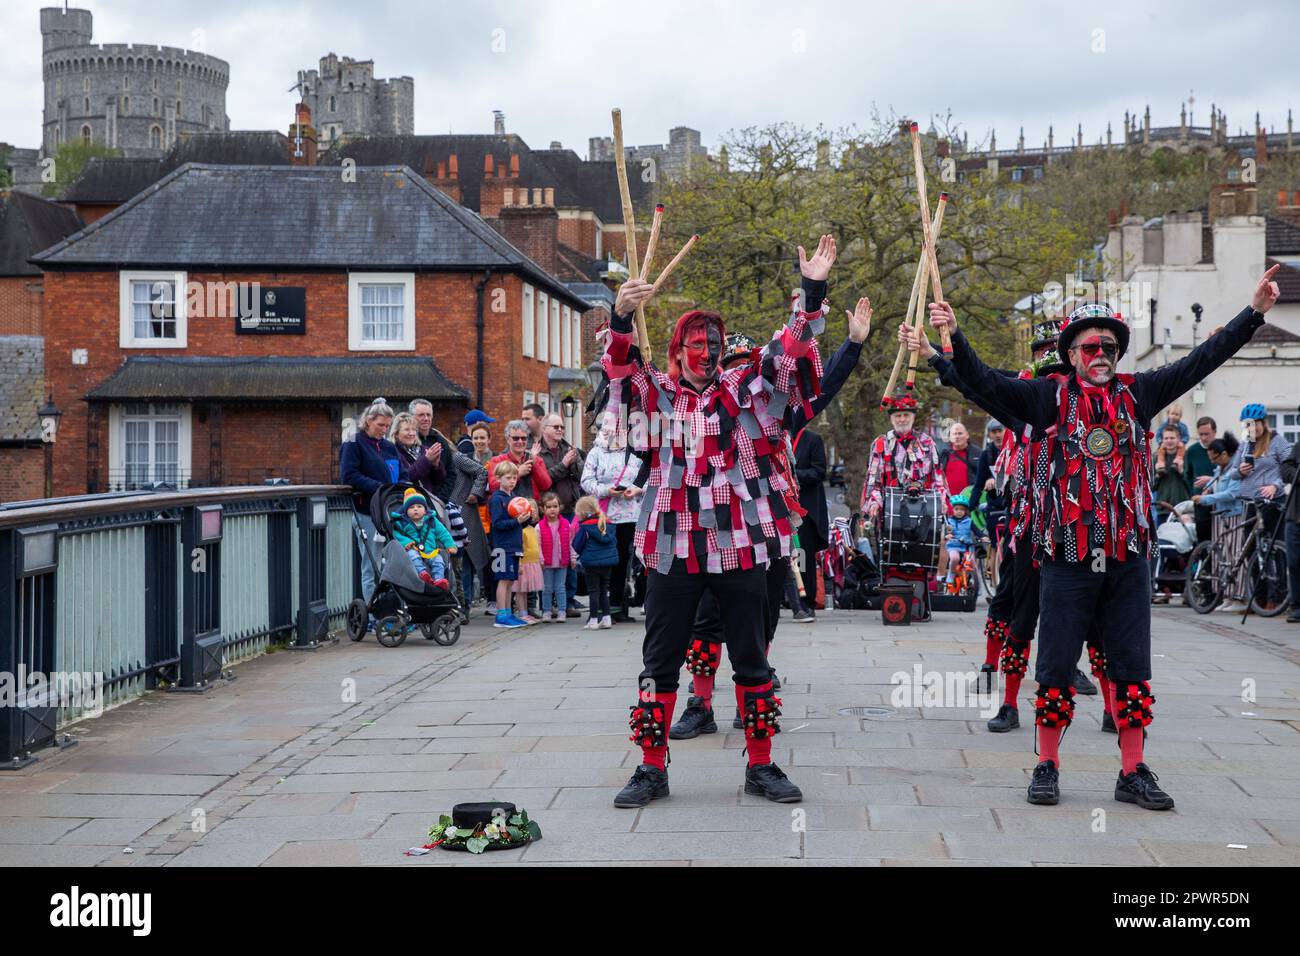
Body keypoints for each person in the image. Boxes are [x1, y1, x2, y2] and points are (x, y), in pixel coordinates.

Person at [928, 263, 1280, 810]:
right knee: (1056, 665)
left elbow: (1199, 361)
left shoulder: (1140, 394)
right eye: (1090, 346)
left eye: (1110, 347)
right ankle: (1046, 764)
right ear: (1071, 353)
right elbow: (985, 382)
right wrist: (953, 337)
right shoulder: (1046, 398)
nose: (1100, 355)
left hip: (1128, 557)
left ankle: (1132, 772)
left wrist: (1253, 314)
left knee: (1131, 665)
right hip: (1067, 557)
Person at [602, 233, 838, 809]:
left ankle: (760, 766)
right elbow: (618, 369)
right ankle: (652, 770)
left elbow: (787, 355)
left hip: (742, 548)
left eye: (713, 343)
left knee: (753, 658)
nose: (706, 353)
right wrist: (622, 316)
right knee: (658, 662)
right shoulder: (654, 396)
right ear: (677, 352)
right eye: (695, 345)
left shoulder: (745, 389)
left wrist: (811, 290)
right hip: (673, 550)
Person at [669, 295, 873, 740]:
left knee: (761, 616)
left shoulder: (782, 410)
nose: (740, 372)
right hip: (716, 529)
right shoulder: (707, 410)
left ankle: (750, 701)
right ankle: (699, 703)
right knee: (705, 619)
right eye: (732, 363)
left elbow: (823, 385)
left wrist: (853, 346)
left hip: (771, 529)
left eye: (747, 362)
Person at [902, 315, 1099, 732]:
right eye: (1042, 353)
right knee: (1016, 606)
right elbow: (976, 380)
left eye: (1057, 354)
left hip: (1082, 523)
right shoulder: (1024, 395)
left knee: (1092, 613)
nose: (1051, 362)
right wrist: (936, 354)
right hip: (1030, 520)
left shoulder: (1100, 400)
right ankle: (1005, 694)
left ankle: (1113, 706)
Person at [340, 398, 406, 608]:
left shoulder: (388, 446)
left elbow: (402, 473)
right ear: (368, 421)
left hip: (391, 512)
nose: (384, 430)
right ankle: (373, 610)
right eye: (380, 425)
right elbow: (349, 475)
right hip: (367, 511)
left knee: (395, 561)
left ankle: (394, 606)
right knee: (372, 563)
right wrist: (379, 487)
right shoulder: (353, 442)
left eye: (387, 426)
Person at [580, 418, 646, 622]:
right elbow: (586, 480)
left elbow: (650, 477)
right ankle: (610, 606)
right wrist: (605, 491)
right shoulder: (596, 453)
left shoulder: (638, 451)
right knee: (611, 561)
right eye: (608, 430)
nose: (612, 434)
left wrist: (636, 490)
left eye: (618, 430)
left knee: (636, 561)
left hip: (634, 514)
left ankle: (632, 602)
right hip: (606, 517)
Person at [536, 413, 586, 617]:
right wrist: (564, 465)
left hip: (570, 510)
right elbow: (544, 479)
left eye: (562, 427)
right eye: (555, 426)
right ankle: (548, 603)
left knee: (569, 555)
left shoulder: (569, 449)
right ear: (544, 428)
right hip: (548, 512)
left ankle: (569, 601)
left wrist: (574, 463)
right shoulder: (538, 452)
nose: (559, 430)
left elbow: (583, 475)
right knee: (548, 557)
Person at [488, 460, 529, 629]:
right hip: (502, 546)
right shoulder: (497, 499)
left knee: (511, 580)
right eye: (508, 478)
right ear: (498, 478)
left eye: (514, 477)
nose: (512, 481)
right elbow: (497, 524)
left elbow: (517, 524)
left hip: (514, 545)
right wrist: (516, 521)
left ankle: (508, 613)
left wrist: (525, 520)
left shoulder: (514, 498)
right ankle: (501, 615)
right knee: (503, 580)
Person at [390, 488, 454, 591]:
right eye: (411, 507)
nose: (415, 509)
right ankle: (422, 573)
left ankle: (439, 580)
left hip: (430, 550)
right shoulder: (401, 523)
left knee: (439, 561)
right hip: (413, 549)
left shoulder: (432, 521)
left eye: (419, 506)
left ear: (425, 511)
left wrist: (450, 545)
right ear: (406, 512)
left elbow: (443, 533)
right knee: (413, 556)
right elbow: (396, 535)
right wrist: (406, 542)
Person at [572, 495, 618, 629]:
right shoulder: (607, 524)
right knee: (604, 590)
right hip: (608, 563)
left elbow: (577, 545)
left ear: (583, 513)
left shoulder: (585, 528)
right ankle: (606, 618)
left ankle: (593, 620)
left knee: (593, 591)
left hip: (591, 564)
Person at [487, 419, 553, 500]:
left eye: (523, 438)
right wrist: (517, 473)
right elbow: (493, 487)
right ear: (508, 439)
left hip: (533, 509)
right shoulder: (497, 461)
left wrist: (534, 464)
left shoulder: (536, 459)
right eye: (515, 438)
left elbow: (546, 485)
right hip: (507, 510)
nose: (520, 441)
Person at [537, 492, 574, 623]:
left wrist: (573, 558)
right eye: (549, 507)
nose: (552, 509)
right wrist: (540, 559)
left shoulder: (566, 525)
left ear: (560, 508)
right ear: (543, 509)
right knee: (547, 588)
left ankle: (562, 611)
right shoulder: (539, 527)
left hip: (561, 562)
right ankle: (546, 611)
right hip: (546, 563)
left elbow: (571, 543)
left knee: (560, 587)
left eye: (555, 506)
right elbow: (538, 545)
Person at [1278, 437, 1300, 623]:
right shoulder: (1299, 447)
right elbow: (1285, 470)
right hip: (1295, 515)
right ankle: (1296, 606)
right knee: (1293, 562)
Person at [512, 500, 543, 625]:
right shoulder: (521, 530)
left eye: (535, 508)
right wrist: (518, 563)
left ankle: (526, 613)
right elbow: (519, 547)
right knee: (520, 590)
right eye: (530, 509)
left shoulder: (533, 528)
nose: (533, 511)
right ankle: (522, 614)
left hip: (532, 563)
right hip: (524, 563)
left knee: (525, 591)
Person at [1187, 416, 1218, 544]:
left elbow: (1230, 474)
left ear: (1215, 432)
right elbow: (1187, 475)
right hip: (1200, 502)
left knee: (1218, 538)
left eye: (1207, 434)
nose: (1204, 438)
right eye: (1201, 434)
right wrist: (1193, 495)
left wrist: (1211, 480)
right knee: (1202, 541)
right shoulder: (1192, 451)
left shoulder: (1222, 448)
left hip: (1220, 501)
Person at [1153, 424, 1192, 508]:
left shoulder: (1187, 457)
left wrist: (1181, 472)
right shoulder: (1156, 458)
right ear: (1162, 440)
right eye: (1166, 438)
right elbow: (1151, 487)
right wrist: (1157, 476)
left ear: (1178, 439)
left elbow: (1191, 485)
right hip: (1162, 507)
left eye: (1172, 438)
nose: (1169, 441)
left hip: (1182, 507)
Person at [939, 421, 977, 507]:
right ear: (950, 437)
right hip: (948, 503)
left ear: (967, 435)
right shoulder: (944, 454)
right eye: (954, 434)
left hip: (970, 502)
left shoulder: (977, 453)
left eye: (960, 433)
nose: (957, 436)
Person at [945, 493, 974, 586]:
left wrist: (983, 536)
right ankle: (951, 573)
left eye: (962, 509)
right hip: (953, 546)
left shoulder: (969, 521)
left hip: (966, 546)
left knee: (971, 561)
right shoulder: (949, 521)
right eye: (956, 509)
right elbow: (945, 532)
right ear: (953, 510)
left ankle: (971, 578)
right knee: (955, 558)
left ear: (965, 511)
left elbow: (977, 531)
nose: (959, 511)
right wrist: (946, 536)